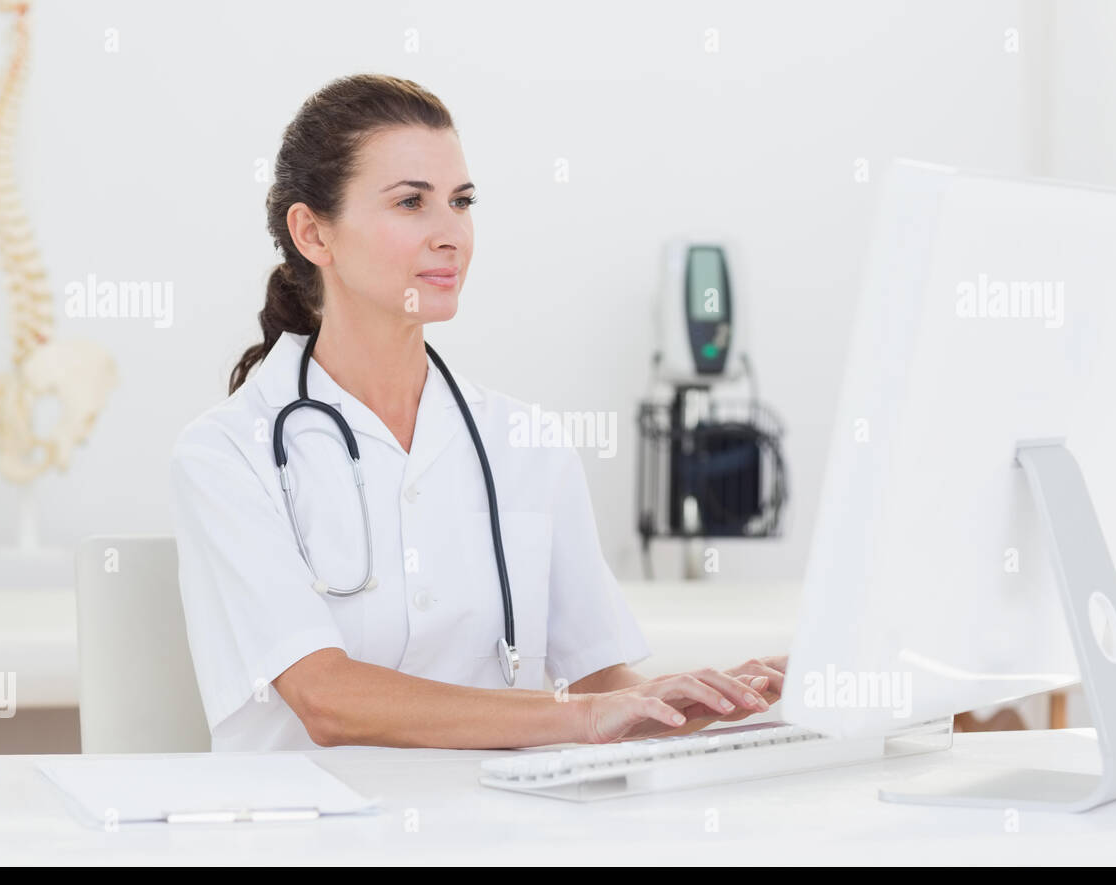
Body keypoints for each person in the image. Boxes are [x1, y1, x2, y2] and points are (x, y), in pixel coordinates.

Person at [168, 74, 786, 752]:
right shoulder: (229, 453)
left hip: (500, 828)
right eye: (411, 202)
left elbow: (602, 685)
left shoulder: (524, 442)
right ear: (313, 233)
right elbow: (327, 699)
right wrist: (579, 717)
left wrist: (720, 701)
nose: (450, 234)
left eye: (461, 202)